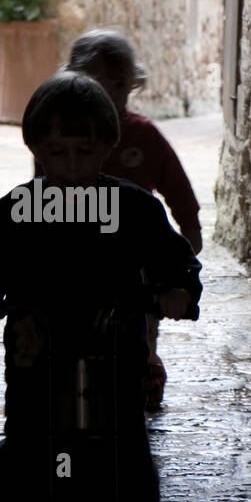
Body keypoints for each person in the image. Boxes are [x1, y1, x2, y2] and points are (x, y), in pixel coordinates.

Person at [0, 72, 201, 502]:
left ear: (107, 147)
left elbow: (175, 259)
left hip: (115, 349)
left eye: (83, 152)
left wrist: (177, 290)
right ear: (36, 149)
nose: (68, 166)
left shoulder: (134, 209)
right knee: (26, 440)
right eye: (56, 152)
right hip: (36, 353)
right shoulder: (15, 210)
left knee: (131, 446)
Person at [64, 30, 202, 407]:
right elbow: (42, 188)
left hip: (136, 257)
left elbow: (175, 183)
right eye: (95, 83)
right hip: (79, 250)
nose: (108, 93)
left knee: (140, 324)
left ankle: (140, 374)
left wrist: (189, 228)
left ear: (130, 84)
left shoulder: (142, 135)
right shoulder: (65, 137)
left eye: (118, 83)